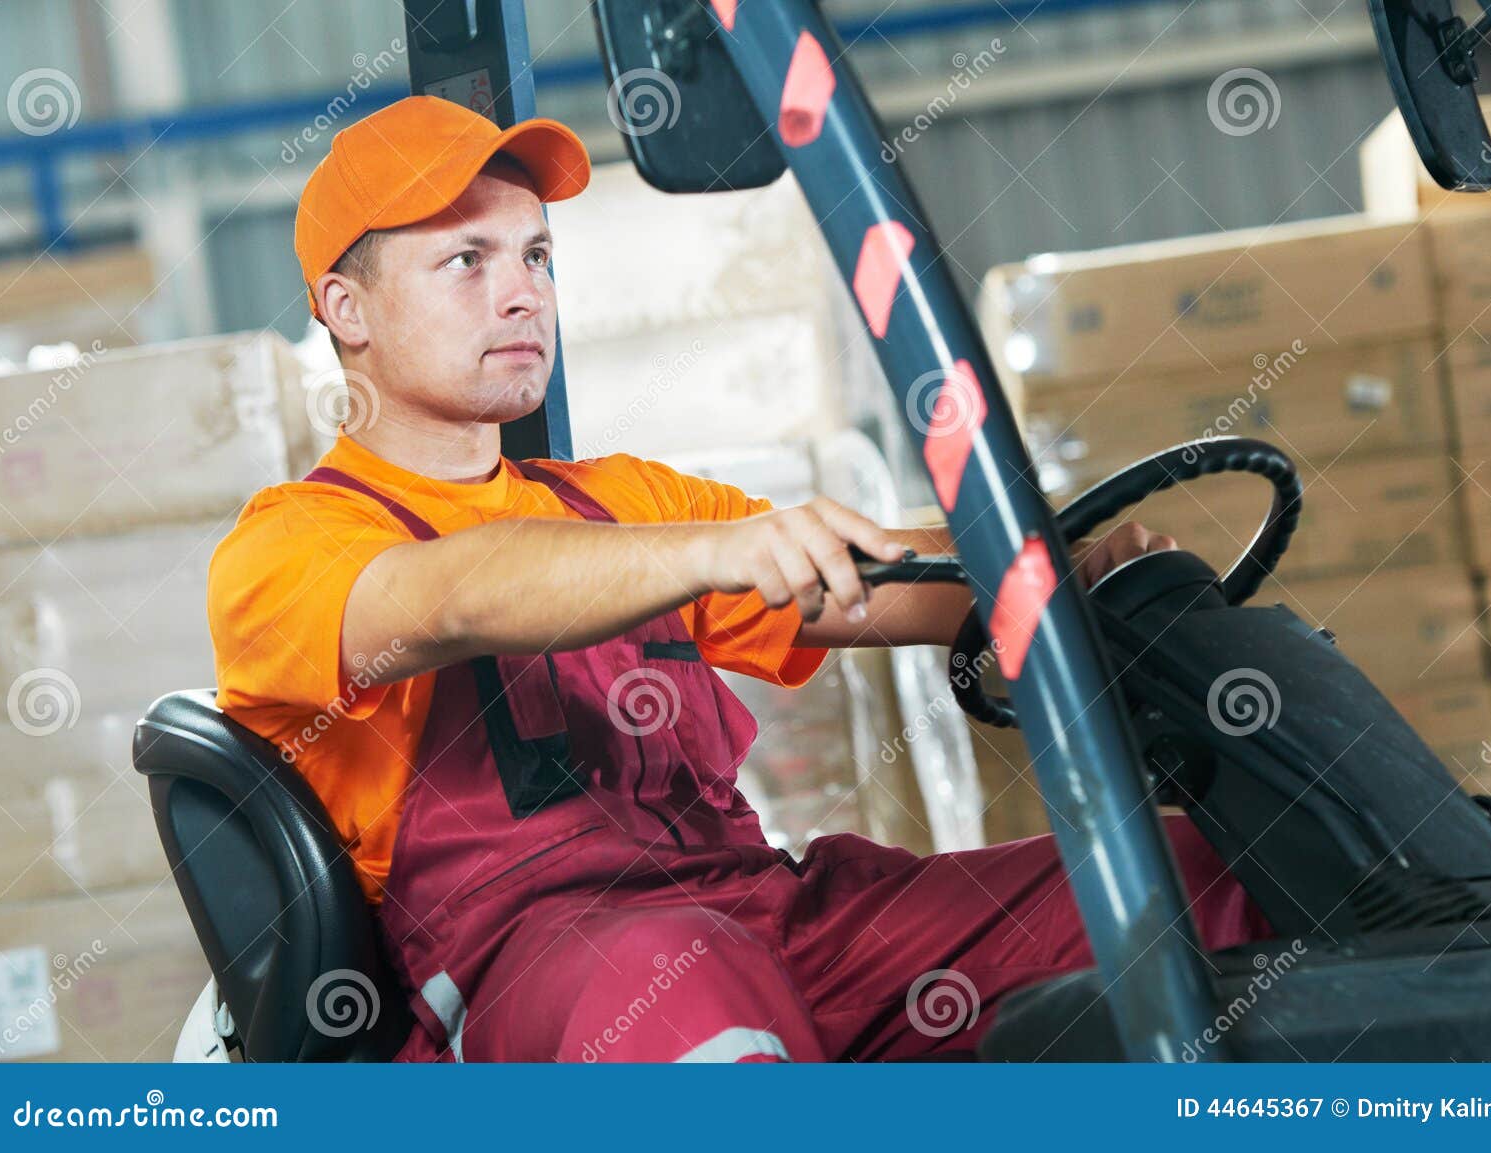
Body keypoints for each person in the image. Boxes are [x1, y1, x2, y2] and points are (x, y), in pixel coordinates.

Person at [209, 95, 1267, 1063]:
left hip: (770, 919)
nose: (523, 293)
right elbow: (453, 595)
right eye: (467, 262)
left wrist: (1068, 573)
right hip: (536, 977)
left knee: (1199, 874)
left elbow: (881, 578)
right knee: (682, 983)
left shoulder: (618, 500)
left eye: (536, 256)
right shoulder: (288, 547)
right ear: (346, 308)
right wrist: (714, 551)